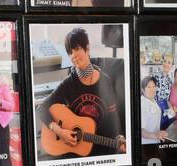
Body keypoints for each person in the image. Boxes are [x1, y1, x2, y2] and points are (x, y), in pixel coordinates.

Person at [38, 28, 126, 158]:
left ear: (87, 48)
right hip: (75, 150)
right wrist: (59, 131)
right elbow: (42, 108)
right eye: (70, 52)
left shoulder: (105, 81)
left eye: (77, 48)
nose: (73, 55)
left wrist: (119, 137)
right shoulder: (68, 83)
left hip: (100, 148)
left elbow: (112, 118)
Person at [140, 75, 167, 144]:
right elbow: (141, 131)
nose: (152, 89)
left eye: (154, 86)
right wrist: (156, 135)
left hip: (155, 141)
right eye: (148, 87)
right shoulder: (143, 103)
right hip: (147, 144)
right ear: (143, 90)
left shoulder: (152, 99)